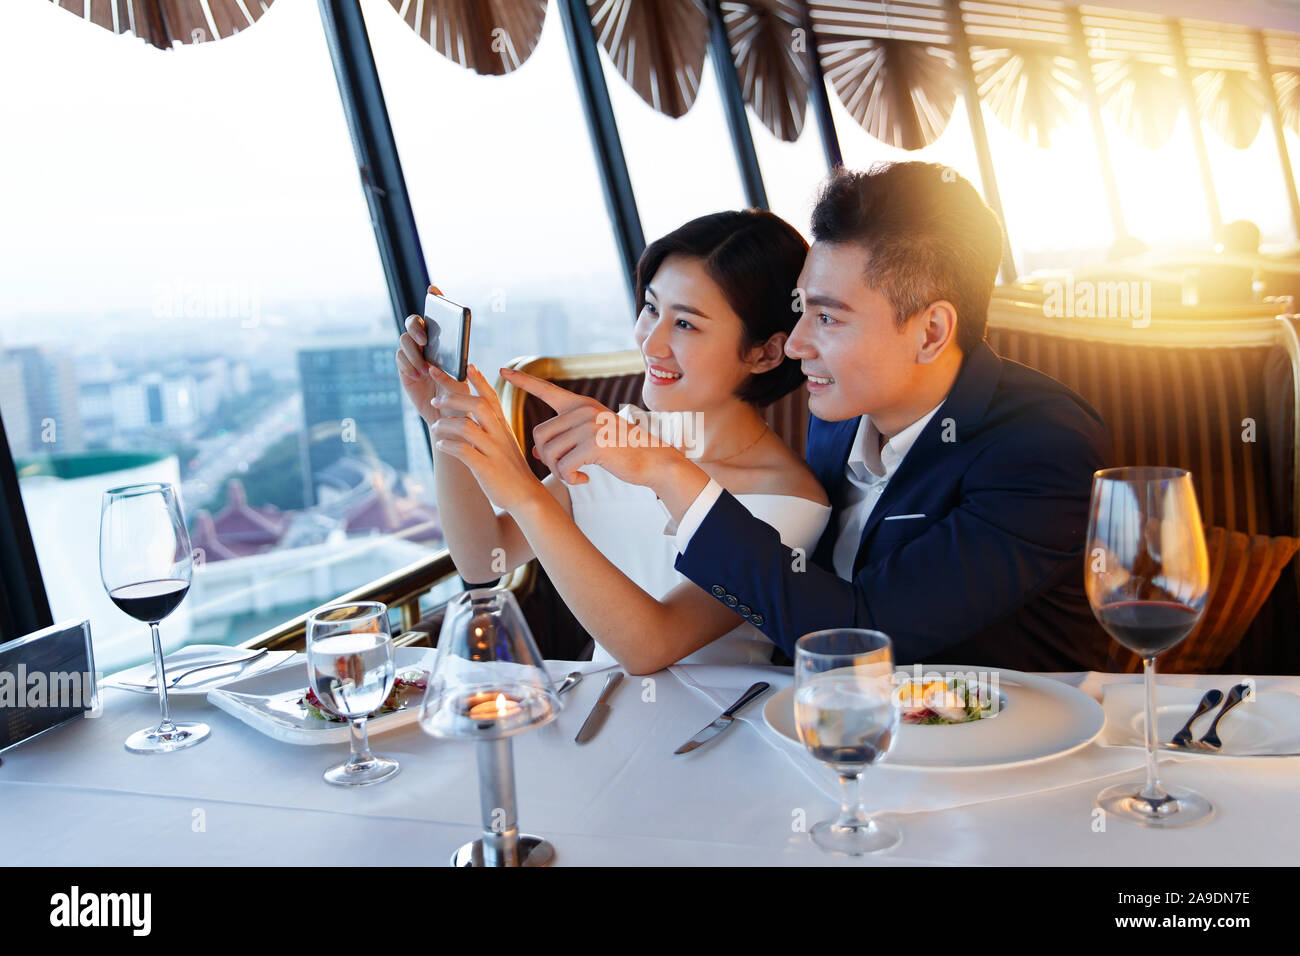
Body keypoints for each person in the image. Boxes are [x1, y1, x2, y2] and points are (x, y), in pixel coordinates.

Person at [508, 162, 1115, 672]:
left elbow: (861, 634)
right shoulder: (841, 412)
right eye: (801, 310)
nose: (794, 346)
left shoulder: (1039, 448)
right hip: (820, 733)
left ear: (930, 331)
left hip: (1000, 757)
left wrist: (668, 471)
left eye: (828, 318)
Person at [395, 210, 830, 674]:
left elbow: (651, 645)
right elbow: (485, 558)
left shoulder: (789, 500)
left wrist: (524, 492)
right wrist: (445, 423)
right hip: (596, 714)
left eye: (686, 324)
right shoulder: (618, 436)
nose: (652, 342)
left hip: (714, 733)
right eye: (651, 308)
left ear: (764, 353)